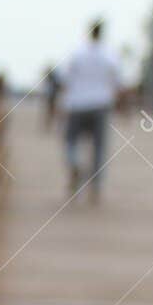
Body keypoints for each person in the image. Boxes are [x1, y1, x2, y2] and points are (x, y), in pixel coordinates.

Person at [58, 20, 121, 201]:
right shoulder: (109, 55)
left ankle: (74, 163)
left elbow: (64, 80)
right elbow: (118, 81)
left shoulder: (77, 53)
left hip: (76, 104)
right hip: (101, 104)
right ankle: (96, 186)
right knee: (99, 147)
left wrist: (59, 106)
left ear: (89, 32)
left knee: (70, 141)